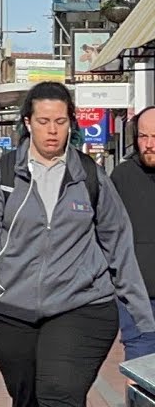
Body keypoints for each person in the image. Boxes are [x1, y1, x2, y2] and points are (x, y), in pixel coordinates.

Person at [0, 81, 154, 407]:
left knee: (58, 394)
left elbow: (117, 241)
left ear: (71, 123)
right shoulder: (3, 177)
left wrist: (140, 313)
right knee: (27, 397)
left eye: (60, 122)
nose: (52, 131)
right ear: (27, 123)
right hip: (11, 306)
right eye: (43, 121)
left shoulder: (90, 176)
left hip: (81, 303)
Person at [109, 105, 155, 360]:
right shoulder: (122, 176)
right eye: (143, 136)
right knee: (140, 367)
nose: (149, 144)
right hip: (136, 299)